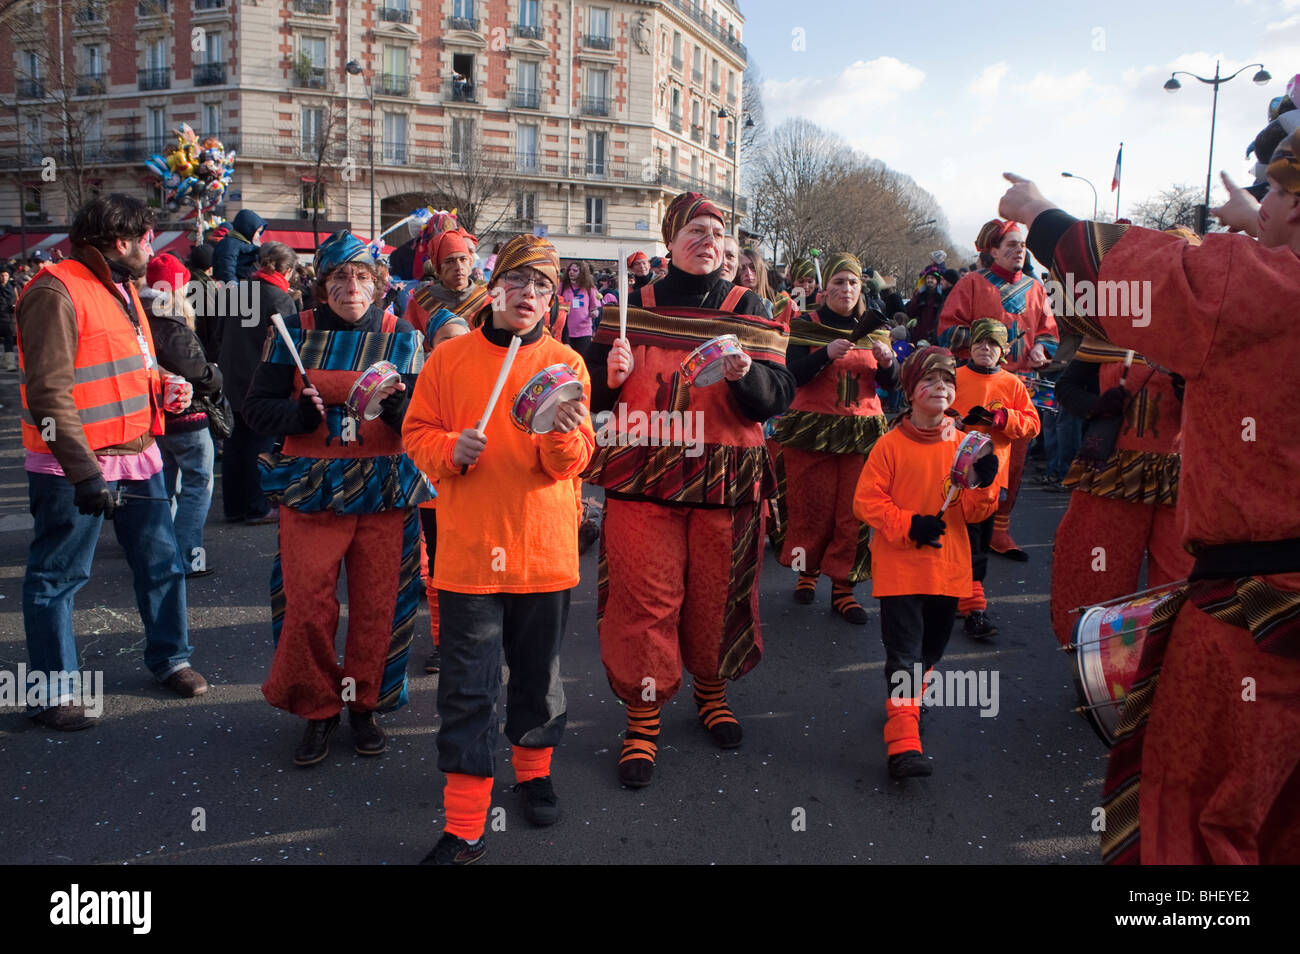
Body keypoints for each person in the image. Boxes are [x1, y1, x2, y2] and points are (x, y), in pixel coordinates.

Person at [1002, 154, 1300, 864]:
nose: (1268, 197)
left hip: (1260, 602)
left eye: (1280, 188)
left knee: (1198, 815)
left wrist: (1041, 214)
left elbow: (1149, 278)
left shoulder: (1254, 286)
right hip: (1154, 501)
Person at [584, 192, 795, 788]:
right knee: (642, 601)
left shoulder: (748, 306)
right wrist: (609, 377)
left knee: (717, 596)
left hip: (725, 484)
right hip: (642, 480)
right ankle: (644, 715)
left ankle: (710, 690)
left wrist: (747, 374)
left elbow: (779, 395)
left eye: (716, 233)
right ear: (670, 241)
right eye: (695, 231)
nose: (708, 241)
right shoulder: (629, 308)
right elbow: (591, 401)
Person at [402, 234, 594, 865]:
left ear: (552, 299)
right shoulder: (450, 359)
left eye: (542, 287)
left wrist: (561, 438)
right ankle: (464, 825)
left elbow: (575, 460)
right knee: (467, 689)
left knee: (538, 680)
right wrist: (448, 449)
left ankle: (534, 772)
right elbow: (417, 432)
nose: (529, 296)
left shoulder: (566, 363)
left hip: (543, 551)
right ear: (495, 288)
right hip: (470, 555)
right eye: (519, 283)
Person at [17, 194, 208, 730]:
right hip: (75, 466)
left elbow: (131, 367)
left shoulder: (121, 287)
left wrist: (164, 389)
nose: (153, 249)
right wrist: (83, 472)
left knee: (162, 565)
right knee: (57, 577)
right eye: (148, 239)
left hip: (138, 454)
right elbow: (48, 395)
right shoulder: (54, 289)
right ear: (122, 242)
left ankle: (171, 657)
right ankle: (54, 692)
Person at [243, 231, 429, 767]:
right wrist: (296, 417)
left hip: (385, 489)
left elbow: (425, 420)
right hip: (309, 489)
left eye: (362, 276)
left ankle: (364, 704)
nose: (352, 286)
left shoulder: (404, 338)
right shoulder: (289, 333)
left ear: (378, 284)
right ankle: (319, 709)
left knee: (381, 606)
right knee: (306, 606)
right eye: (339, 278)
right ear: (321, 287)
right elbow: (255, 409)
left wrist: (400, 415)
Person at [853, 347, 999, 778]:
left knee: (931, 651)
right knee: (903, 656)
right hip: (900, 570)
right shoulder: (889, 444)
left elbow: (973, 513)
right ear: (910, 391)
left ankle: (911, 701)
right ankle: (902, 744)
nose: (941, 388)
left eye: (947, 382)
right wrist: (908, 525)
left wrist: (983, 485)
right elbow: (866, 502)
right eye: (930, 381)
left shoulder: (968, 446)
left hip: (949, 570)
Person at [773, 252, 898, 624]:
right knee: (811, 507)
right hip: (811, 430)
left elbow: (892, 385)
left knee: (855, 513)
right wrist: (824, 354)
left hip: (862, 432)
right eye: (839, 282)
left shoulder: (875, 328)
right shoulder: (804, 324)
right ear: (825, 287)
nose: (846, 288)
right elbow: (790, 375)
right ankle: (806, 571)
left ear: (861, 288)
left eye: (853, 282)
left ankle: (844, 586)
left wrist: (890, 363)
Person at [1049, 335, 1191, 646]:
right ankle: (1099, 663)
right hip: (1113, 472)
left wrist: (1188, 388)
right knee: (1098, 574)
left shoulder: (1193, 334)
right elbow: (1066, 388)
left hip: (1178, 476)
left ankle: (1169, 665)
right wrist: (1097, 405)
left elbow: (1223, 402)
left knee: (1181, 578)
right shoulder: (1107, 334)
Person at [938, 219, 1058, 561]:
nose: (1020, 251)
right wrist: (985, 344)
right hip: (976, 382)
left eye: (1022, 246)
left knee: (1014, 458)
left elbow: (1048, 332)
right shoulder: (972, 283)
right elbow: (947, 330)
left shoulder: (1036, 288)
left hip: (1020, 386)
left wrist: (1042, 350)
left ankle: (1000, 528)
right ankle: (958, 517)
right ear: (993, 251)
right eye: (1012, 246)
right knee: (969, 453)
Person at [950, 319, 1040, 638]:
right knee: (953, 542)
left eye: (992, 345)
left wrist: (1003, 418)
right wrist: (953, 421)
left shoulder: (1013, 384)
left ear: (1002, 352)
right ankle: (971, 607)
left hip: (989, 481)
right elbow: (928, 407)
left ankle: (968, 604)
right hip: (948, 476)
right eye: (979, 343)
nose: (984, 349)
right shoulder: (954, 376)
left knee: (976, 547)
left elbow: (1033, 425)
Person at [142, 253, 223, 578]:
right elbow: (198, 373)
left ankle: (163, 553)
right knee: (197, 484)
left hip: (157, 417)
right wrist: (216, 374)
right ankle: (188, 558)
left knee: (167, 486)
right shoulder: (172, 323)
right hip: (187, 416)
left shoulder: (140, 316)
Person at [217, 241, 297, 524]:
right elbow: (291, 344)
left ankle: (235, 506)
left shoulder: (240, 292)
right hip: (259, 380)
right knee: (258, 444)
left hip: (231, 375)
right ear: (286, 270)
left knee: (235, 445)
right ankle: (256, 506)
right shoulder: (278, 297)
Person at [415, 307, 471, 675]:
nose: (456, 347)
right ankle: (442, 643)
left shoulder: (484, 378)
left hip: (476, 497)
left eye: (462, 340)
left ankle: (472, 642)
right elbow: (416, 437)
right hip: (435, 496)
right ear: (430, 346)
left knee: (474, 574)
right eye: (447, 341)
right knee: (439, 573)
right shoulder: (423, 381)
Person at [402, 219, 488, 342]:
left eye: (463, 259)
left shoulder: (488, 301)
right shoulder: (420, 303)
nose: (458, 267)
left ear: (470, 262)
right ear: (438, 269)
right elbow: (410, 346)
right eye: (449, 261)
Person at [212, 208, 267, 283]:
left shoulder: (244, 242)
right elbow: (227, 266)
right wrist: (233, 283)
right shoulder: (230, 243)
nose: (258, 235)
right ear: (248, 229)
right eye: (257, 232)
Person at [186, 243, 221, 362]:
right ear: (210, 267)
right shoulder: (207, 290)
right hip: (203, 353)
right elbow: (213, 327)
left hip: (189, 349)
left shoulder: (185, 283)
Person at [558, 260, 598, 359]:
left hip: (584, 330)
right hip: (565, 330)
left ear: (582, 273)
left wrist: (595, 312)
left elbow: (595, 307)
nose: (571, 272)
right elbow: (556, 302)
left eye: (575, 270)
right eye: (570, 270)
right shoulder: (562, 286)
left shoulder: (590, 288)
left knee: (582, 359)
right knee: (566, 359)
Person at [905, 270, 945, 344]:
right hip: (919, 335)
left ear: (937, 281)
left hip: (934, 335)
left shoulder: (941, 298)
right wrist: (917, 299)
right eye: (928, 278)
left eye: (932, 278)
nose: (929, 280)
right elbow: (910, 312)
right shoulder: (920, 296)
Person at [0, 266, 17, 371]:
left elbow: (17, 299)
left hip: (9, 318)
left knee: (9, 340)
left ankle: (10, 363)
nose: (4, 277)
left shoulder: (13, 287)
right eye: (2, 275)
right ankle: (4, 361)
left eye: (6, 275)